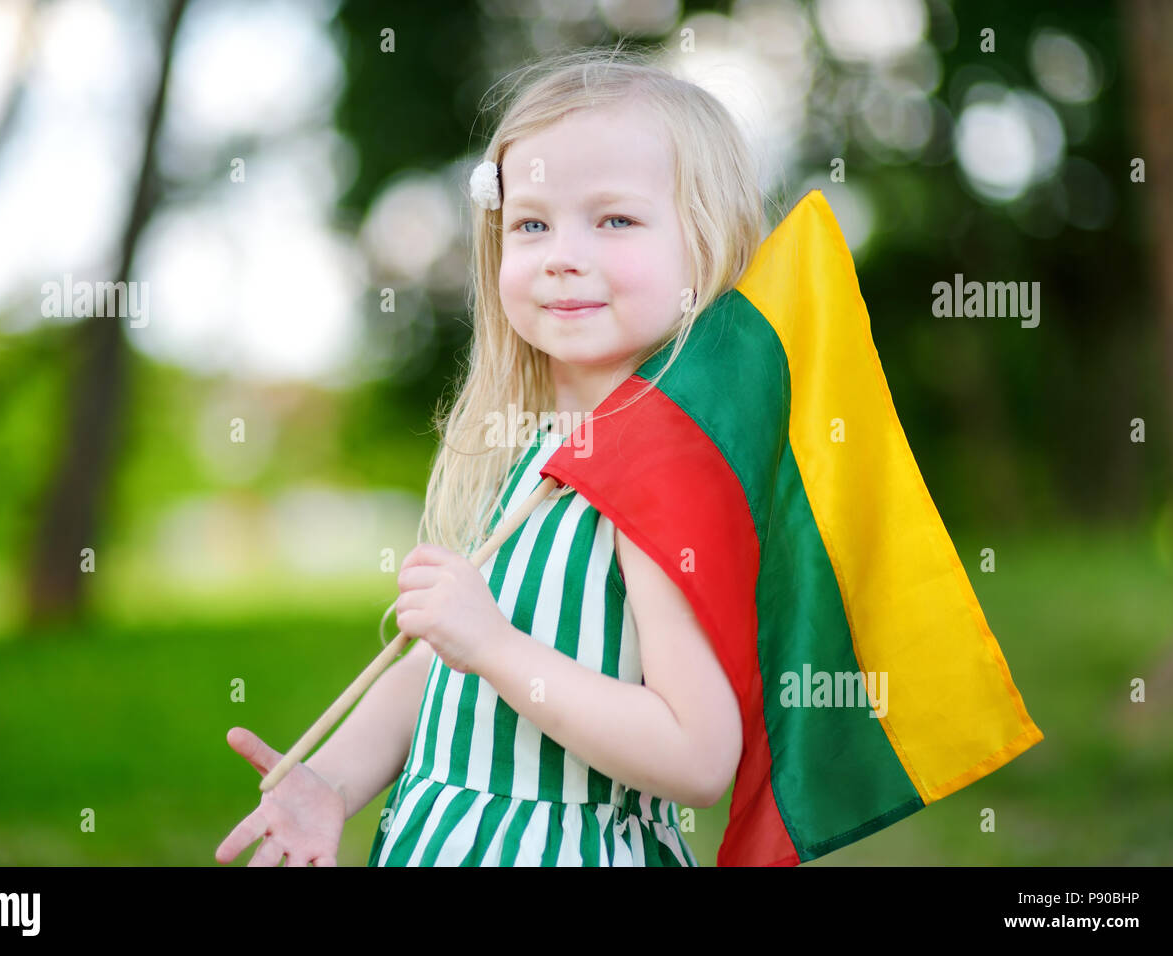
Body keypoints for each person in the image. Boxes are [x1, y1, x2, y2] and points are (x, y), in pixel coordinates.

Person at [215, 43, 766, 866]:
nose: (562, 254)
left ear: (706, 247)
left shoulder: (660, 473)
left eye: (614, 219)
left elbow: (697, 756)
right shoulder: (525, 447)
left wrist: (497, 646)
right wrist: (328, 782)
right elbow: (448, 672)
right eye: (533, 224)